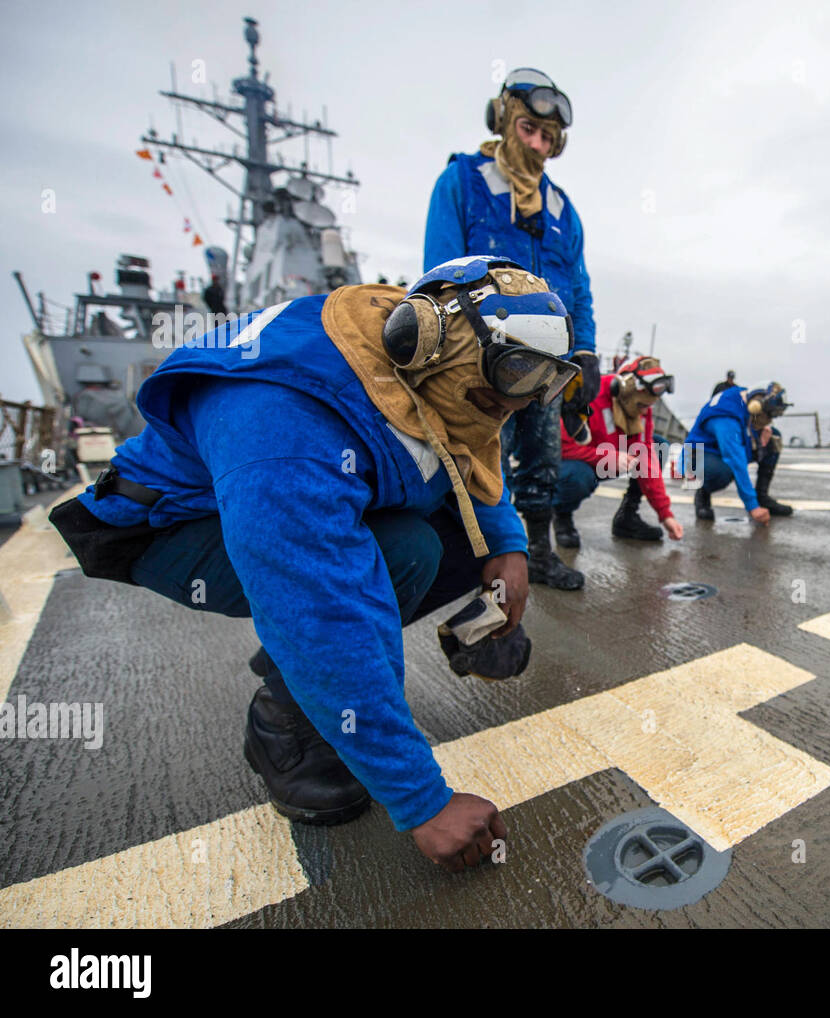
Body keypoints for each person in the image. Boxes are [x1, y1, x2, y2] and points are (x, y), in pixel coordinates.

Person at [48, 255, 579, 873]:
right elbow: (322, 611)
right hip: (173, 528)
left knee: (446, 541)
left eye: (547, 381)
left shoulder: (420, 342)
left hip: (273, 491)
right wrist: (422, 801)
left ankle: (322, 685)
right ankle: (284, 722)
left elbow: (467, 436)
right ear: (428, 342)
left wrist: (505, 544)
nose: (527, 400)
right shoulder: (283, 425)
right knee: (394, 561)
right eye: (517, 372)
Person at [423, 68, 599, 592]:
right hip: (478, 352)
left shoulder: (563, 208)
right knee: (476, 454)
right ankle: (482, 554)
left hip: (547, 354)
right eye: (529, 130)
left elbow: (580, 285)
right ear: (504, 121)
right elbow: (440, 270)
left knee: (543, 459)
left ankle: (539, 554)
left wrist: (585, 351)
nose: (539, 145)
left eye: (548, 138)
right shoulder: (462, 181)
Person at [553, 355, 685, 547]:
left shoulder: (643, 408)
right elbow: (559, 446)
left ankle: (627, 517)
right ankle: (562, 517)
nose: (644, 411)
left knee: (658, 446)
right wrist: (604, 457)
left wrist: (665, 515)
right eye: (641, 405)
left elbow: (646, 457)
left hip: (612, 457)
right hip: (580, 461)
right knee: (577, 477)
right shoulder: (590, 394)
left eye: (648, 406)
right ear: (623, 388)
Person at [685, 381, 794, 523]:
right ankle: (703, 493)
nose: (769, 420)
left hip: (718, 447)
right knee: (726, 469)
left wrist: (761, 433)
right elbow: (736, 460)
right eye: (769, 415)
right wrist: (753, 507)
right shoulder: (726, 417)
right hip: (697, 457)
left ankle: (762, 496)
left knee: (773, 438)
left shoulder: (743, 397)